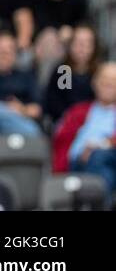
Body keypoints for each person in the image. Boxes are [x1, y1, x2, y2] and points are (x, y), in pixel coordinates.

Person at [52, 62, 116, 193]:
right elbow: (61, 142)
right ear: (95, 83)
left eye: (113, 81)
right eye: (104, 80)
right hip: (79, 164)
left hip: (109, 158)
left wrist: (101, 145)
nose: (108, 85)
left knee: (100, 157)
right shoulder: (78, 111)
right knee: (103, 168)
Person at [0, 31, 44, 137]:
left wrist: (22, 109)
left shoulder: (27, 78)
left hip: (19, 122)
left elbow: (38, 110)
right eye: (0, 50)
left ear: (15, 54)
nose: (4, 55)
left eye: (9, 51)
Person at [42, 24, 102, 126]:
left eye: (87, 44)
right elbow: (56, 103)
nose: (82, 48)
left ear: (94, 47)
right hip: (68, 122)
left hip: (95, 122)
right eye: (78, 43)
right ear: (70, 45)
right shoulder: (64, 71)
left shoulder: (99, 72)